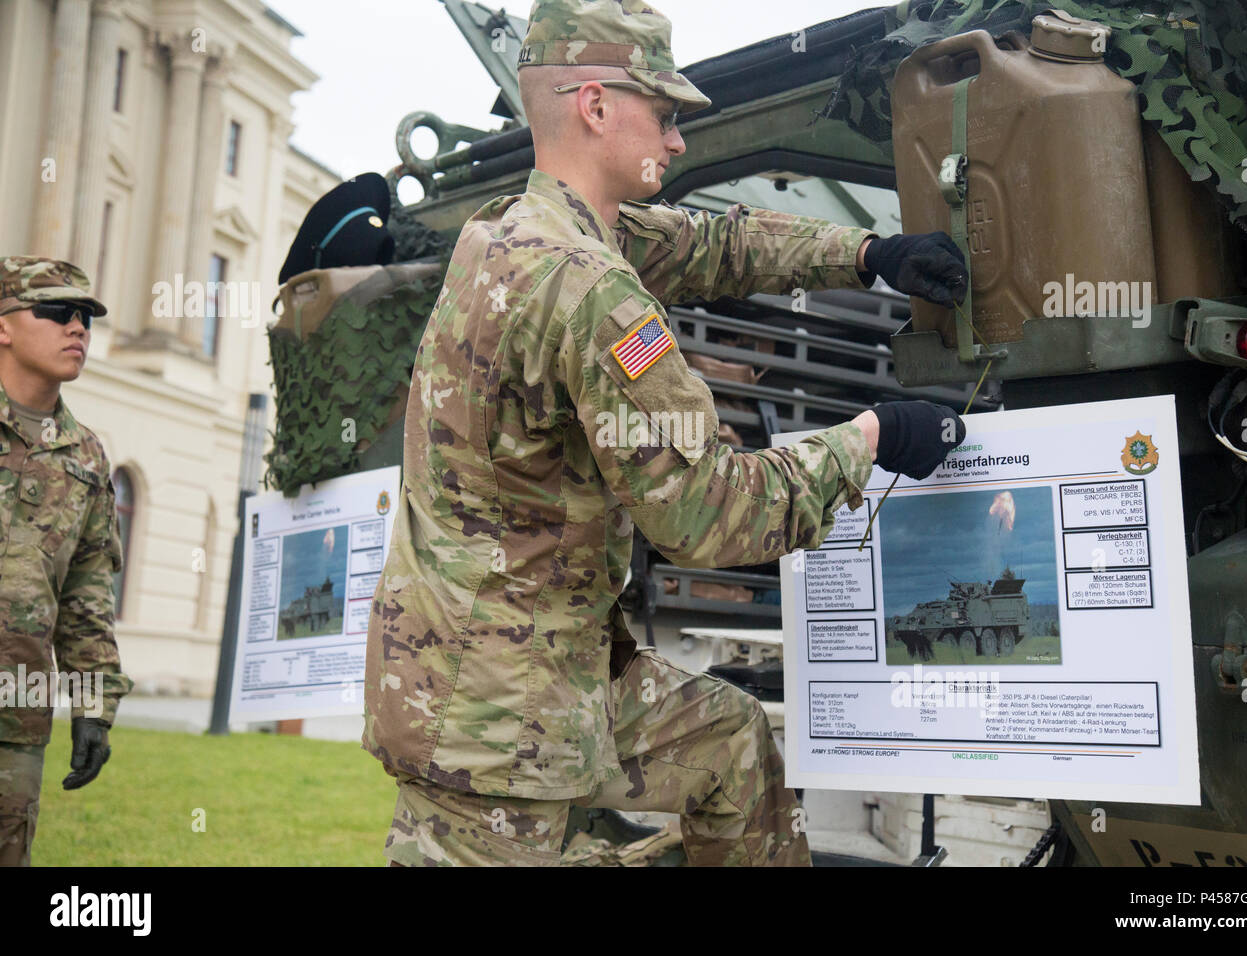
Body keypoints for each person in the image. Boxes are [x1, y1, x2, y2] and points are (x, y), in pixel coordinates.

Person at [363, 0, 966, 866]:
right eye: (667, 114)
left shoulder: (512, 233)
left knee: (728, 746)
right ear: (596, 105)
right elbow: (707, 513)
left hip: (515, 671)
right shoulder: (584, 286)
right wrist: (870, 437)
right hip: (496, 726)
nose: (679, 142)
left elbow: (714, 248)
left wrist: (871, 255)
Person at [0, 257, 132, 867]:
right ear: (3, 325)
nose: (76, 327)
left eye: (84, 317)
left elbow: (87, 593)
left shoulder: (84, 457)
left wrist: (92, 706)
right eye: (56, 312)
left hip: (15, 712)